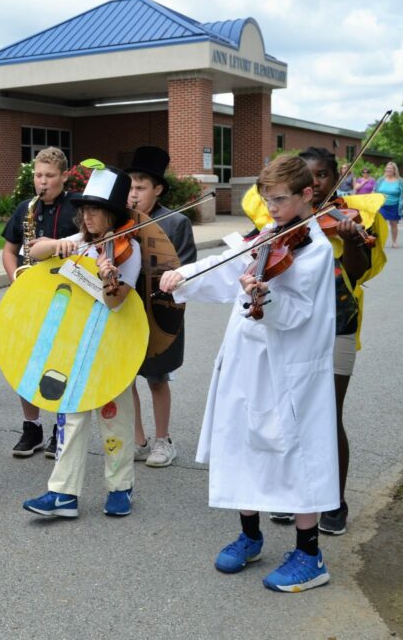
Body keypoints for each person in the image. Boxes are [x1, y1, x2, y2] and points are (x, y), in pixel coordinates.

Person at [160, 155, 337, 593]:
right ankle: (250, 536)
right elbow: (226, 266)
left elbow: (299, 313)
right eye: (266, 200)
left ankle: (310, 554)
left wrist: (265, 296)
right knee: (241, 441)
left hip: (288, 369)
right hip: (247, 362)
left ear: (306, 195)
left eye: (279, 200)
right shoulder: (270, 234)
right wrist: (183, 274)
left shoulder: (315, 250)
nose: (271, 209)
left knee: (296, 455)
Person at [244, 148, 387, 534]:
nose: (317, 183)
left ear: (335, 177)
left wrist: (352, 241)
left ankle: (335, 501)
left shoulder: (348, 219)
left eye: (323, 175)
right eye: (309, 176)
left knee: (327, 414)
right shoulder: (284, 218)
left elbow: (356, 274)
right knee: (287, 412)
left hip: (338, 325)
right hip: (292, 329)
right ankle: (294, 495)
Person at [21, 167, 141, 519]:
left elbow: (116, 302)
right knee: (70, 417)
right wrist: (56, 245)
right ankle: (63, 494)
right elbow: (35, 251)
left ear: (111, 214)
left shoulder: (127, 249)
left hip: (112, 345)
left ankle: (120, 487)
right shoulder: (78, 240)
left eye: (95, 210)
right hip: (75, 343)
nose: (87, 216)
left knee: (114, 418)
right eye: (85, 209)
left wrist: (106, 276)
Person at [1, 147, 79, 458]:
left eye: (49, 176)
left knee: (60, 362)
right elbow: (9, 250)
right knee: (25, 360)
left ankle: (61, 425)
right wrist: (15, 278)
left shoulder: (76, 207)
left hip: (65, 296)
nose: (42, 182)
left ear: (64, 176)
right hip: (29, 297)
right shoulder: (26, 208)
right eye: (38, 175)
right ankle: (31, 427)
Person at [125, 147, 196, 468]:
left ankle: (163, 440)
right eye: (130, 187)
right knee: (125, 377)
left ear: (158, 189)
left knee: (157, 377)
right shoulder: (120, 219)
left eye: (141, 188)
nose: (133, 194)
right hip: (126, 308)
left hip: (160, 310)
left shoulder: (176, 223)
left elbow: (187, 269)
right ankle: (138, 439)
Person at [373, 161, 403, 248]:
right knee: (380, 224)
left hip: (394, 206)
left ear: (394, 170)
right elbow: (374, 191)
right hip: (381, 206)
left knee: (393, 224)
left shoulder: (399, 181)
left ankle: (394, 242)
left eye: (390, 168)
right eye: (387, 168)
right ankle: (379, 241)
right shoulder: (380, 180)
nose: (388, 170)